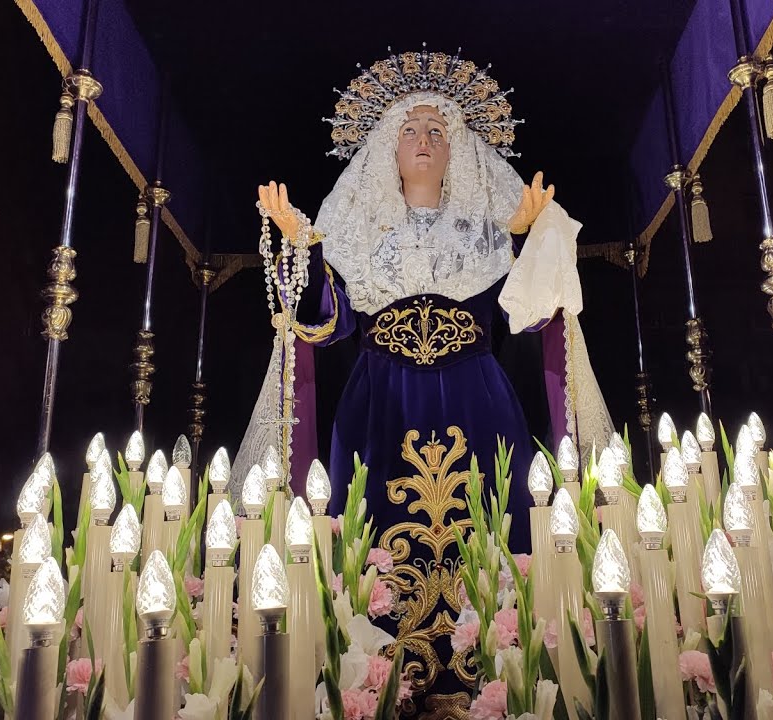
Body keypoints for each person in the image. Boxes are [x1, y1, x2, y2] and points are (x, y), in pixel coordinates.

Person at [247, 50, 613, 711]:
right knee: (373, 541)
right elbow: (323, 324)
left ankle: (500, 676)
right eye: (410, 130)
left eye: (437, 131)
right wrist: (305, 244)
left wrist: (529, 237)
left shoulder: (489, 232)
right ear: (388, 150)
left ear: (458, 150)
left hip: (475, 396)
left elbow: (533, 315)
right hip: (378, 402)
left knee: (491, 533)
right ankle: (377, 685)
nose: (423, 140)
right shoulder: (357, 235)